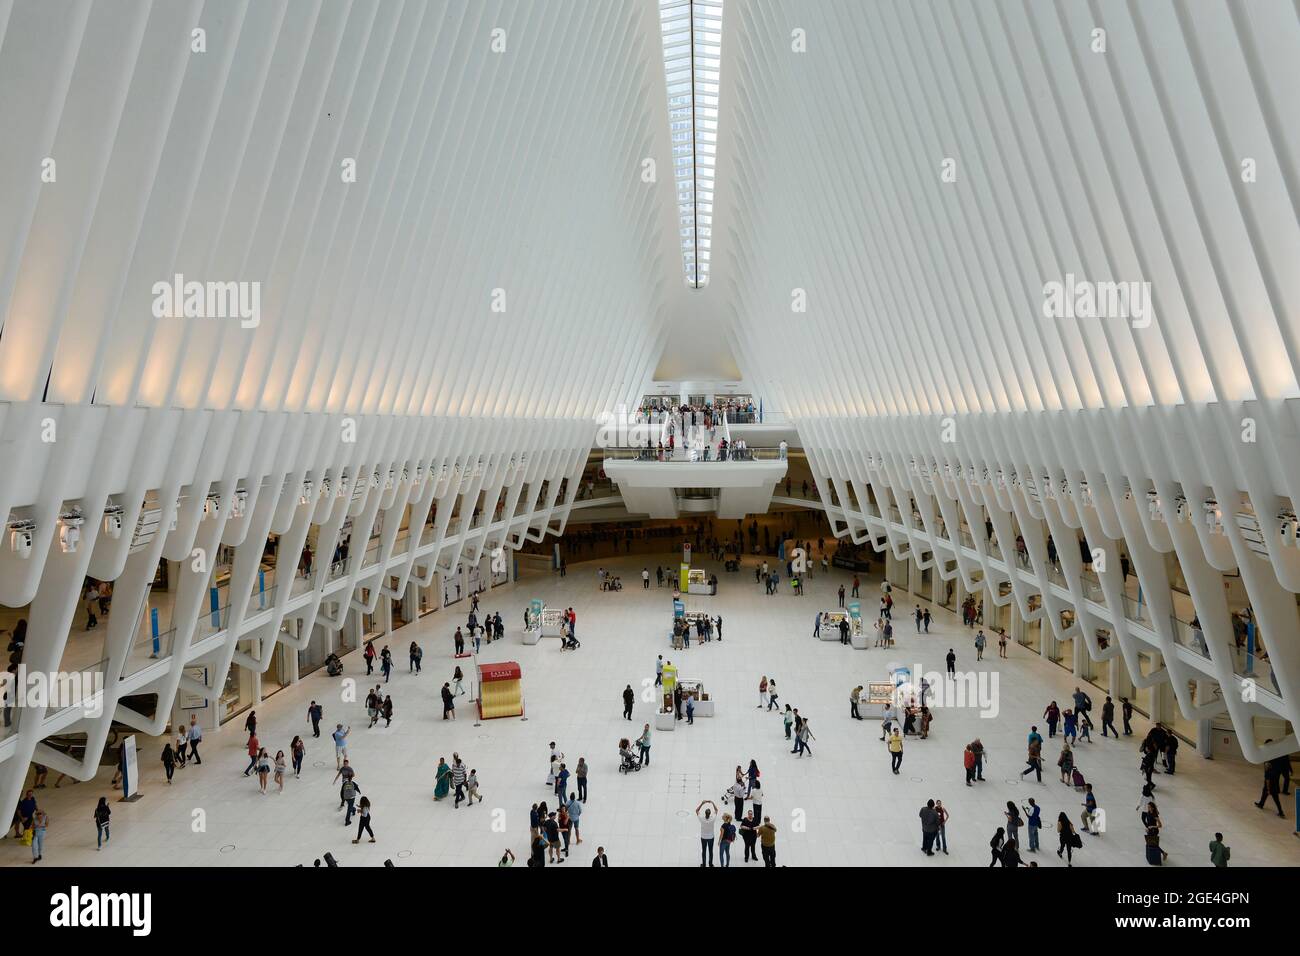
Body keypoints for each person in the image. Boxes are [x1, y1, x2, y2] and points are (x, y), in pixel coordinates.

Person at [696, 800, 718, 866]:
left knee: (704, 851)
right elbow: (716, 810)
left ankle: (704, 864)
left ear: (705, 813)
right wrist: (712, 802)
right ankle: (710, 864)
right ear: (710, 813)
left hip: (703, 837)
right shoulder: (712, 819)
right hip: (711, 837)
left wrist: (702, 803)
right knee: (710, 851)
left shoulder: (702, 819)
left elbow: (697, 811)